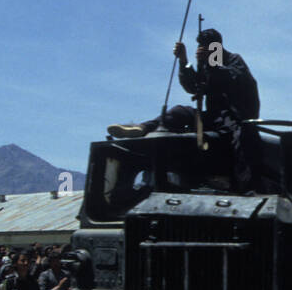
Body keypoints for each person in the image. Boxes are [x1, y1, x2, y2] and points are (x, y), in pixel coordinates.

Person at [107, 28, 261, 190]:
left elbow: (231, 79)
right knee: (179, 111)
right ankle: (142, 128)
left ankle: (247, 188)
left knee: (244, 140)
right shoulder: (208, 65)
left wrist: (211, 63)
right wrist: (183, 60)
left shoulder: (233, 60)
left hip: (236, 118)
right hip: (212, 118)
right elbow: (193, 86)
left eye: (209, 46)